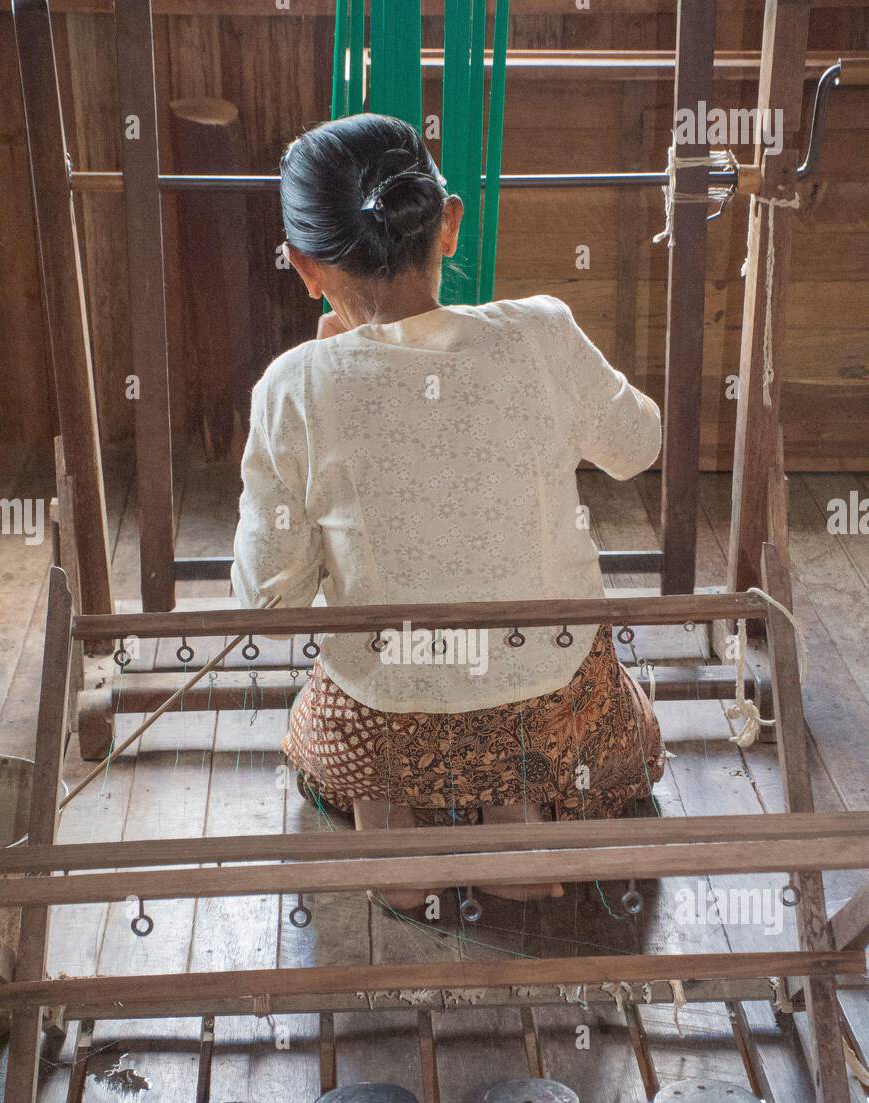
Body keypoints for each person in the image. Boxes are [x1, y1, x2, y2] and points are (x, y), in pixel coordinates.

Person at [231, 112, 665, 911]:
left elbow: (270, 596)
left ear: (303, 267)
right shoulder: (540, 331)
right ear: (451, 223)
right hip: (546, 691)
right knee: (592, 714)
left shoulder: (293, 386)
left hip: (387, 712)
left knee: (350, 713)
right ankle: (518, 827)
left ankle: (393, 830)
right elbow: (639, 445)